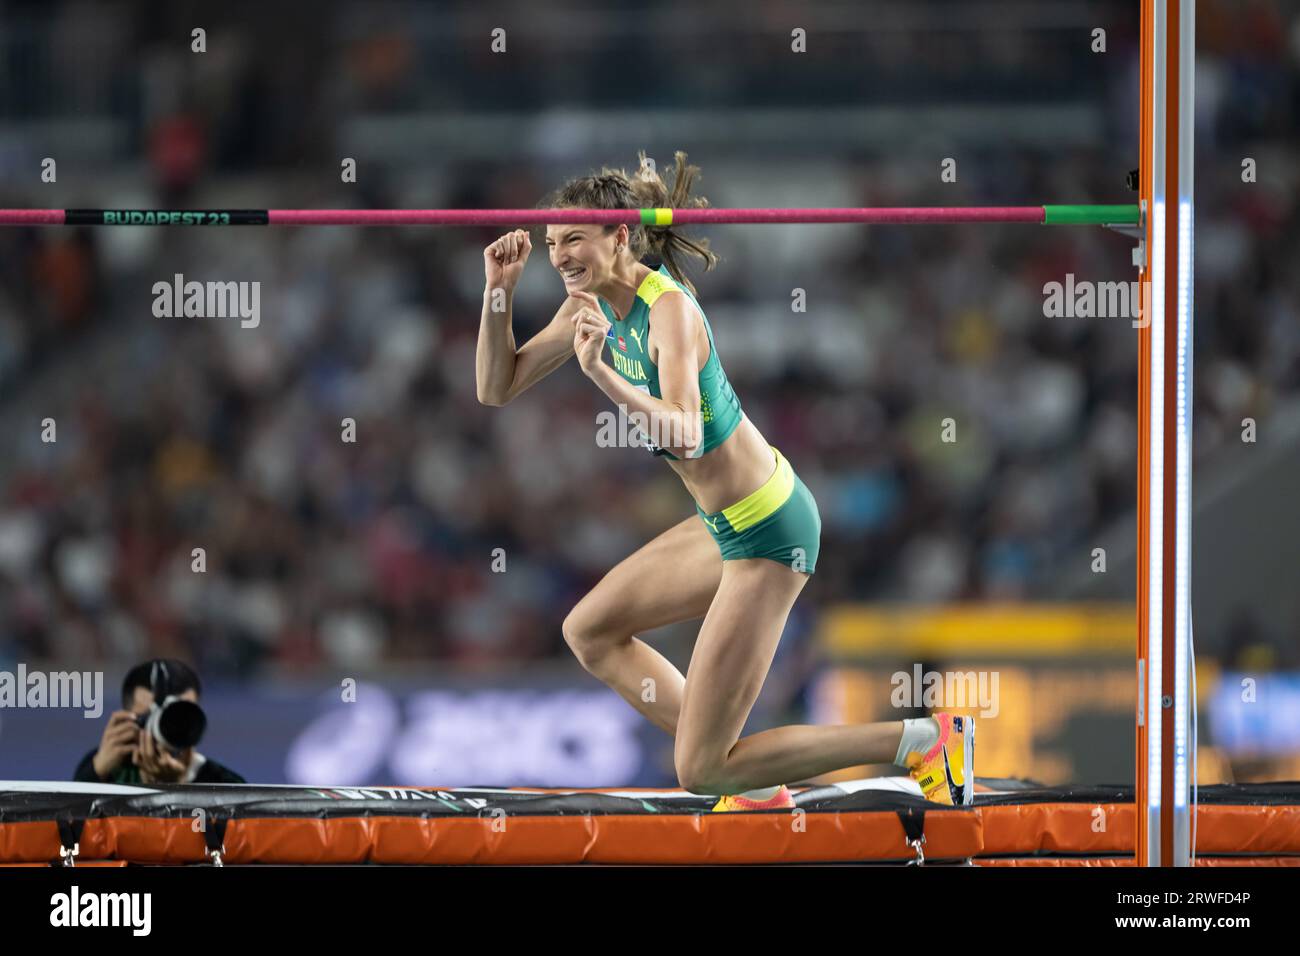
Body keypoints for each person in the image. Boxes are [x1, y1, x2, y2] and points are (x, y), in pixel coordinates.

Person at [475, 151, 972, 809]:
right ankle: (751, 774)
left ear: (619, 236)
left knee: (701, 771)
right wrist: (499, 290)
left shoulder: (668, 312)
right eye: (550, 244)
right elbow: (495, 386)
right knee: (590, 632)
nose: (558, 256)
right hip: (722, 524)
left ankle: (920, 739)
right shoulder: (584, 306)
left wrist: (602, 374)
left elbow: (682, 429)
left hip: (769, 530)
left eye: (573, 240)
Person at [74, 659, 245, 785]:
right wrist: (95, 773)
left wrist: (177, 787)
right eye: (148, 716)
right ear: (126, 718)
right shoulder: (105, 770)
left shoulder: (225, 785)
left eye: (182, 715)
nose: (167, 726)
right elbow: (71, 829)